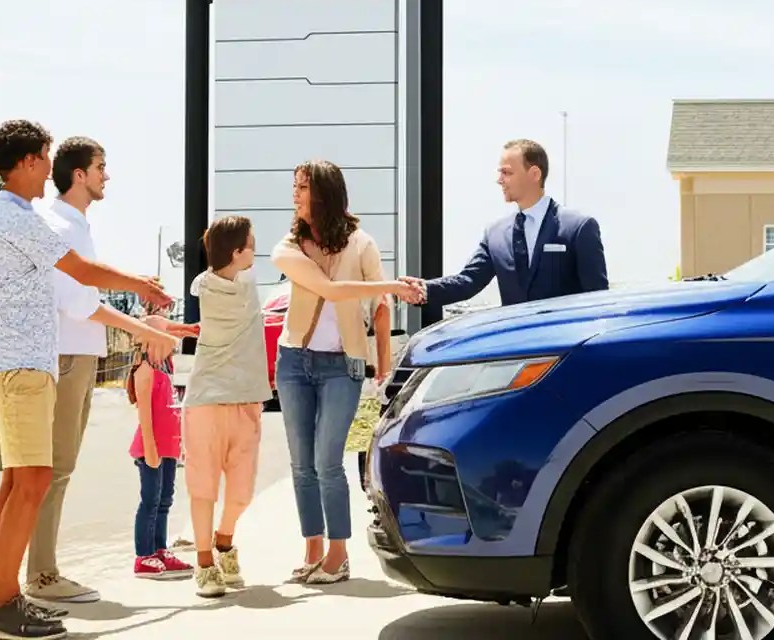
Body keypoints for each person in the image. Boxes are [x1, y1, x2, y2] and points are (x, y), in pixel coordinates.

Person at [0, 119, 172, 639]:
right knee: (36, 478)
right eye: (45, 156)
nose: (50, 165)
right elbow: (83, 274)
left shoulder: (14, 213)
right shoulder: (17, 216)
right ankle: (4, 601)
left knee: (19, 480)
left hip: (20, 360)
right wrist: (143, 285)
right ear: (27, 162)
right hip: (21, 363)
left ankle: (4, 596)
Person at [25, 136, 177, 605]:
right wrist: (142, 329)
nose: (106, 175)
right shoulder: (64, 226)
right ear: (79, 175)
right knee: (53, 469)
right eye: (100, 167)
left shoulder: (71, 224)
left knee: (53, 469)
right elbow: (79, 302)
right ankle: (42, 576)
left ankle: (41, 571)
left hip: (76, 357)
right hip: (67, 356)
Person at [270, 159, 418, 585]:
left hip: (344, 364)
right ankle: (312, 550)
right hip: (293, 361)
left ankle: (338, 554)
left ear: (323, 192)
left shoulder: (361, 242)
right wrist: (389, 286)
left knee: (326, 461)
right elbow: (333, 290)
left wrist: (384, 363)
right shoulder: (288, 246)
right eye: (294, 186)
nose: (294, 194)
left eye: (301, 187)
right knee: (302, 465)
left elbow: (382, 309)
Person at [181, 215, 273, 598]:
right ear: (238, 253)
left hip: (246, 398)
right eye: (251, 244)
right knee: (203, 485)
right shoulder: (239, 283)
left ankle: (224, 541)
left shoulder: (207, 281)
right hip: (206, 398)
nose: (256, 251)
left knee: (241, 490)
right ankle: (204, 563)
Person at [410, 138, 608, 308]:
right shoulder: (495, 234)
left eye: (507, 173)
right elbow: (468, 281)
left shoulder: (579, 227)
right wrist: (423, 289)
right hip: (515, 348)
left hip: (564, 347)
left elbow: (597, 300)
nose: (500, 180)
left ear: (534, 174)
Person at [128, 313, 197, 581]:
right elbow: (145, 417)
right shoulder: (145, 371)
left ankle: (159, 550)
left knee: (165, 500)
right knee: (150, 501)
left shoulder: (167, 367)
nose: (172, 339)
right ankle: (143, 557)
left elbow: (172, 413)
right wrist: (151, 450)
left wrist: (190, 330)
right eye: (165, 334)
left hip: (168, 448)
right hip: (151, 449)